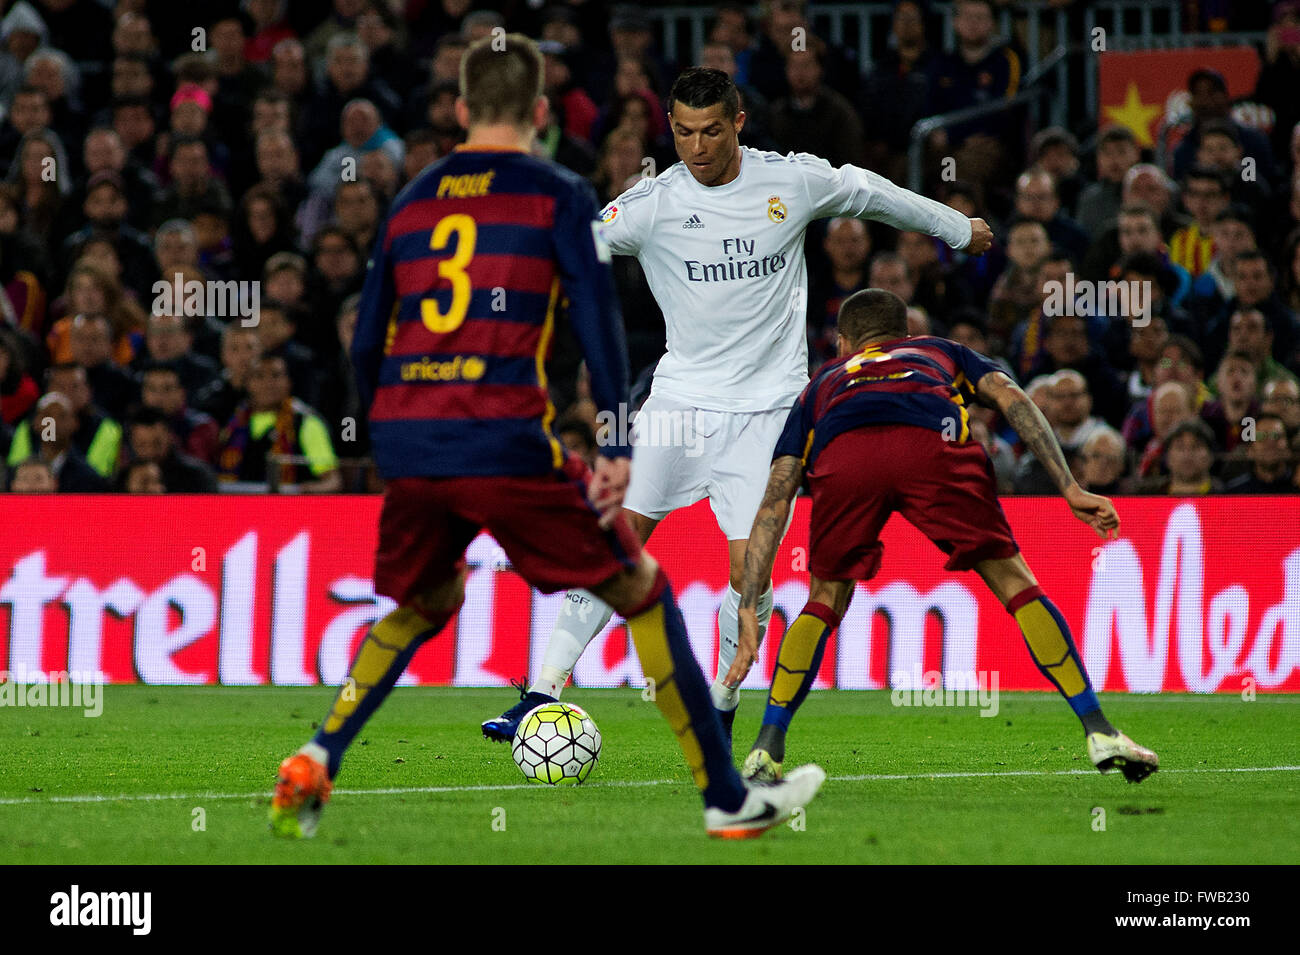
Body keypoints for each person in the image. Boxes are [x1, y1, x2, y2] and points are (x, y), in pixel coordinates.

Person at [269, 35, 825, 841]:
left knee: (423, 603)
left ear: (460, 111)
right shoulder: (556, 191)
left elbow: (363, 339)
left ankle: (319, 753)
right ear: (538, 112)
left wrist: (378, 431)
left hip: (410, 438)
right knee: (641, 589)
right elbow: (598, 327)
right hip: (503, 437)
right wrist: (615, 444)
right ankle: (725, 798)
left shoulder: (414, 198)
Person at [481, 65, 993, 747]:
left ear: (738, 124)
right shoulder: (651, 203)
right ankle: (540, 692)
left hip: (767, 412)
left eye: (712, 131)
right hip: (680, 403)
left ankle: (721, 706)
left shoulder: (789, 180)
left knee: (748, 576)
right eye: (685, 132)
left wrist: (955, 228)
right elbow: (569, 251)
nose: (698, 146)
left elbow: (871, 193)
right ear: (671, 128)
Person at [725, 289, 1158, 785]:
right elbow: (1012, 398)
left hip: (846, 457)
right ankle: (1098, 729)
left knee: (825, 596)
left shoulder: (822, 382)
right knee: (1014, 581)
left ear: (844, 343)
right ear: (905, 332)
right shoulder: (939, 350)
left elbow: (778, 494)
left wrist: (748, 602)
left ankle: (765, 748)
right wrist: (1070, 486)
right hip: (930, 440)